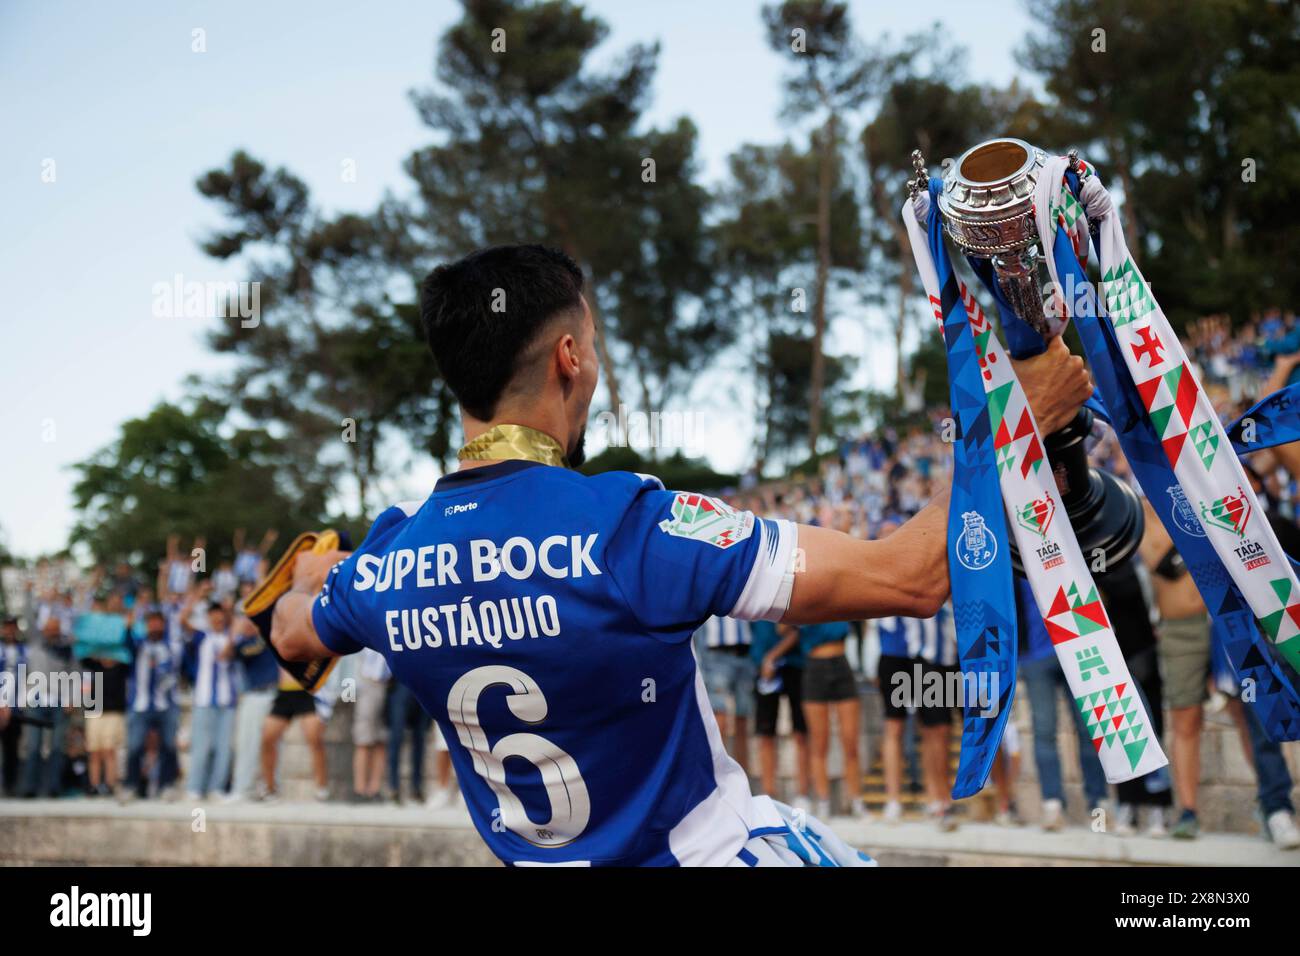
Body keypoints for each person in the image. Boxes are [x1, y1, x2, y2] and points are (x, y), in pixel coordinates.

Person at [268, 244, 1088, 866]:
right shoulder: (629, 524)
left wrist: (314, 576)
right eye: (593, 342)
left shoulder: (383, 567)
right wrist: (1016, 423)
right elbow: (908, 577)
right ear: (569, 358)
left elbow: (293, 633)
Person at [874, 546, 960, 829]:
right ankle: (895, 800)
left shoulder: (922, 571)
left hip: (925, 657)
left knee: (935, 728)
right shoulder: (881, 573)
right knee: (895, 727)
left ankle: (938, 797)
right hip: (896, 657)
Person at [1014, 576, 1109, 830]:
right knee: (1043, 731)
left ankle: (1099, 808)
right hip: (1034, 656)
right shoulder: (1013, 555)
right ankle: (1052, 805)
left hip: (1076, 648)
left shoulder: (1066, 541)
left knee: (1089, 729)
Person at [181, 600, 239, 800]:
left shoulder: (230, 639)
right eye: (213, 614)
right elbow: (182, 621)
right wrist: (193, 598)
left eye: (220, 613)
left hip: (226, 700)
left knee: (223, 747)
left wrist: (232, 623)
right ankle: (194, 787)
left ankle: (217, 788)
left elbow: (229, 654)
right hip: (204, 699)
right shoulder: (201, 637)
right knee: (202, 746)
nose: (217, 617)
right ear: (208, 617)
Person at [75, 593, 131, 798]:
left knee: (110, 750)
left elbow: (130, 642)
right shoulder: (93, 663)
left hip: (114, 710)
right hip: (94, 708)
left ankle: (110, 784)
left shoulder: (123, 666)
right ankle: (94, 785)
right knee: (94, 751)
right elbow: (81, 651)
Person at [751, 619, 809, 806]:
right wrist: (767, 659)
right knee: (766, 732)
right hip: (765, 666)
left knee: (801, 732)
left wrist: (773, 656)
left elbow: (793, 631)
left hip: (794, 664)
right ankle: (769, 794)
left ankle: (802, 793)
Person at [124, 610, 179, 799]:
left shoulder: (170, 647)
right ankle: (131, 786)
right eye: (152, 623)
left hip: (166, 705)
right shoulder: (140, 645)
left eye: (158, 623)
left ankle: (166, 786)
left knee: (168, 747)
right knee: (135, 746)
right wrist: (129, 628)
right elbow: (128, 644)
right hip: (140, 704)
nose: (155, 627)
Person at [692, 616, 756, 774]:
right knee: (719, 719)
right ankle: (719, 777)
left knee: (743, 720)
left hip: (744, 655)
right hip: (716, 656)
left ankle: (743, 778)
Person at [229, 602, 279, 800]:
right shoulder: (243, 644)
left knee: (272, 745)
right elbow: (233, 653)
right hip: (254, 696)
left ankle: (269, 788)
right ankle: (243, 789)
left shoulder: (270, 635)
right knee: (247, 743)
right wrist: (236, 632)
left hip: (274, 694)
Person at [21, 617, 73, 798]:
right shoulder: (34, 646)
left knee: (57, 746)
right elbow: (28, 614)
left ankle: (54, 787)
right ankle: (29, 787)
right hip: (36, 701)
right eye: (49, 629)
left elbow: (73, 675)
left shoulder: (65, 651)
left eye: (55, 629)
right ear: (43, 630)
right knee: (33, 746)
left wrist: (70, 699)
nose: (52, 632)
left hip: (58, 701)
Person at [260, 670, 330, 802]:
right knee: (267, 738)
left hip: (307, 691)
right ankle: (269, 788)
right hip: (284, 691)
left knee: (315, 739)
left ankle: (321, 788)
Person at [352, 647, 389, 802]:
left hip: (389, 685)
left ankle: (374, 789)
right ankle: (360, 789)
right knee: (364, 738)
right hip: (367, 682)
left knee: (382, 738)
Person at [0, 617, 28, 796]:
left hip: (16, 707)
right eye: (6, 628)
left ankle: (10, 786)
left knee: (12, 749)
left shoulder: (24, 650)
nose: (10, 631)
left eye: (12, 628)